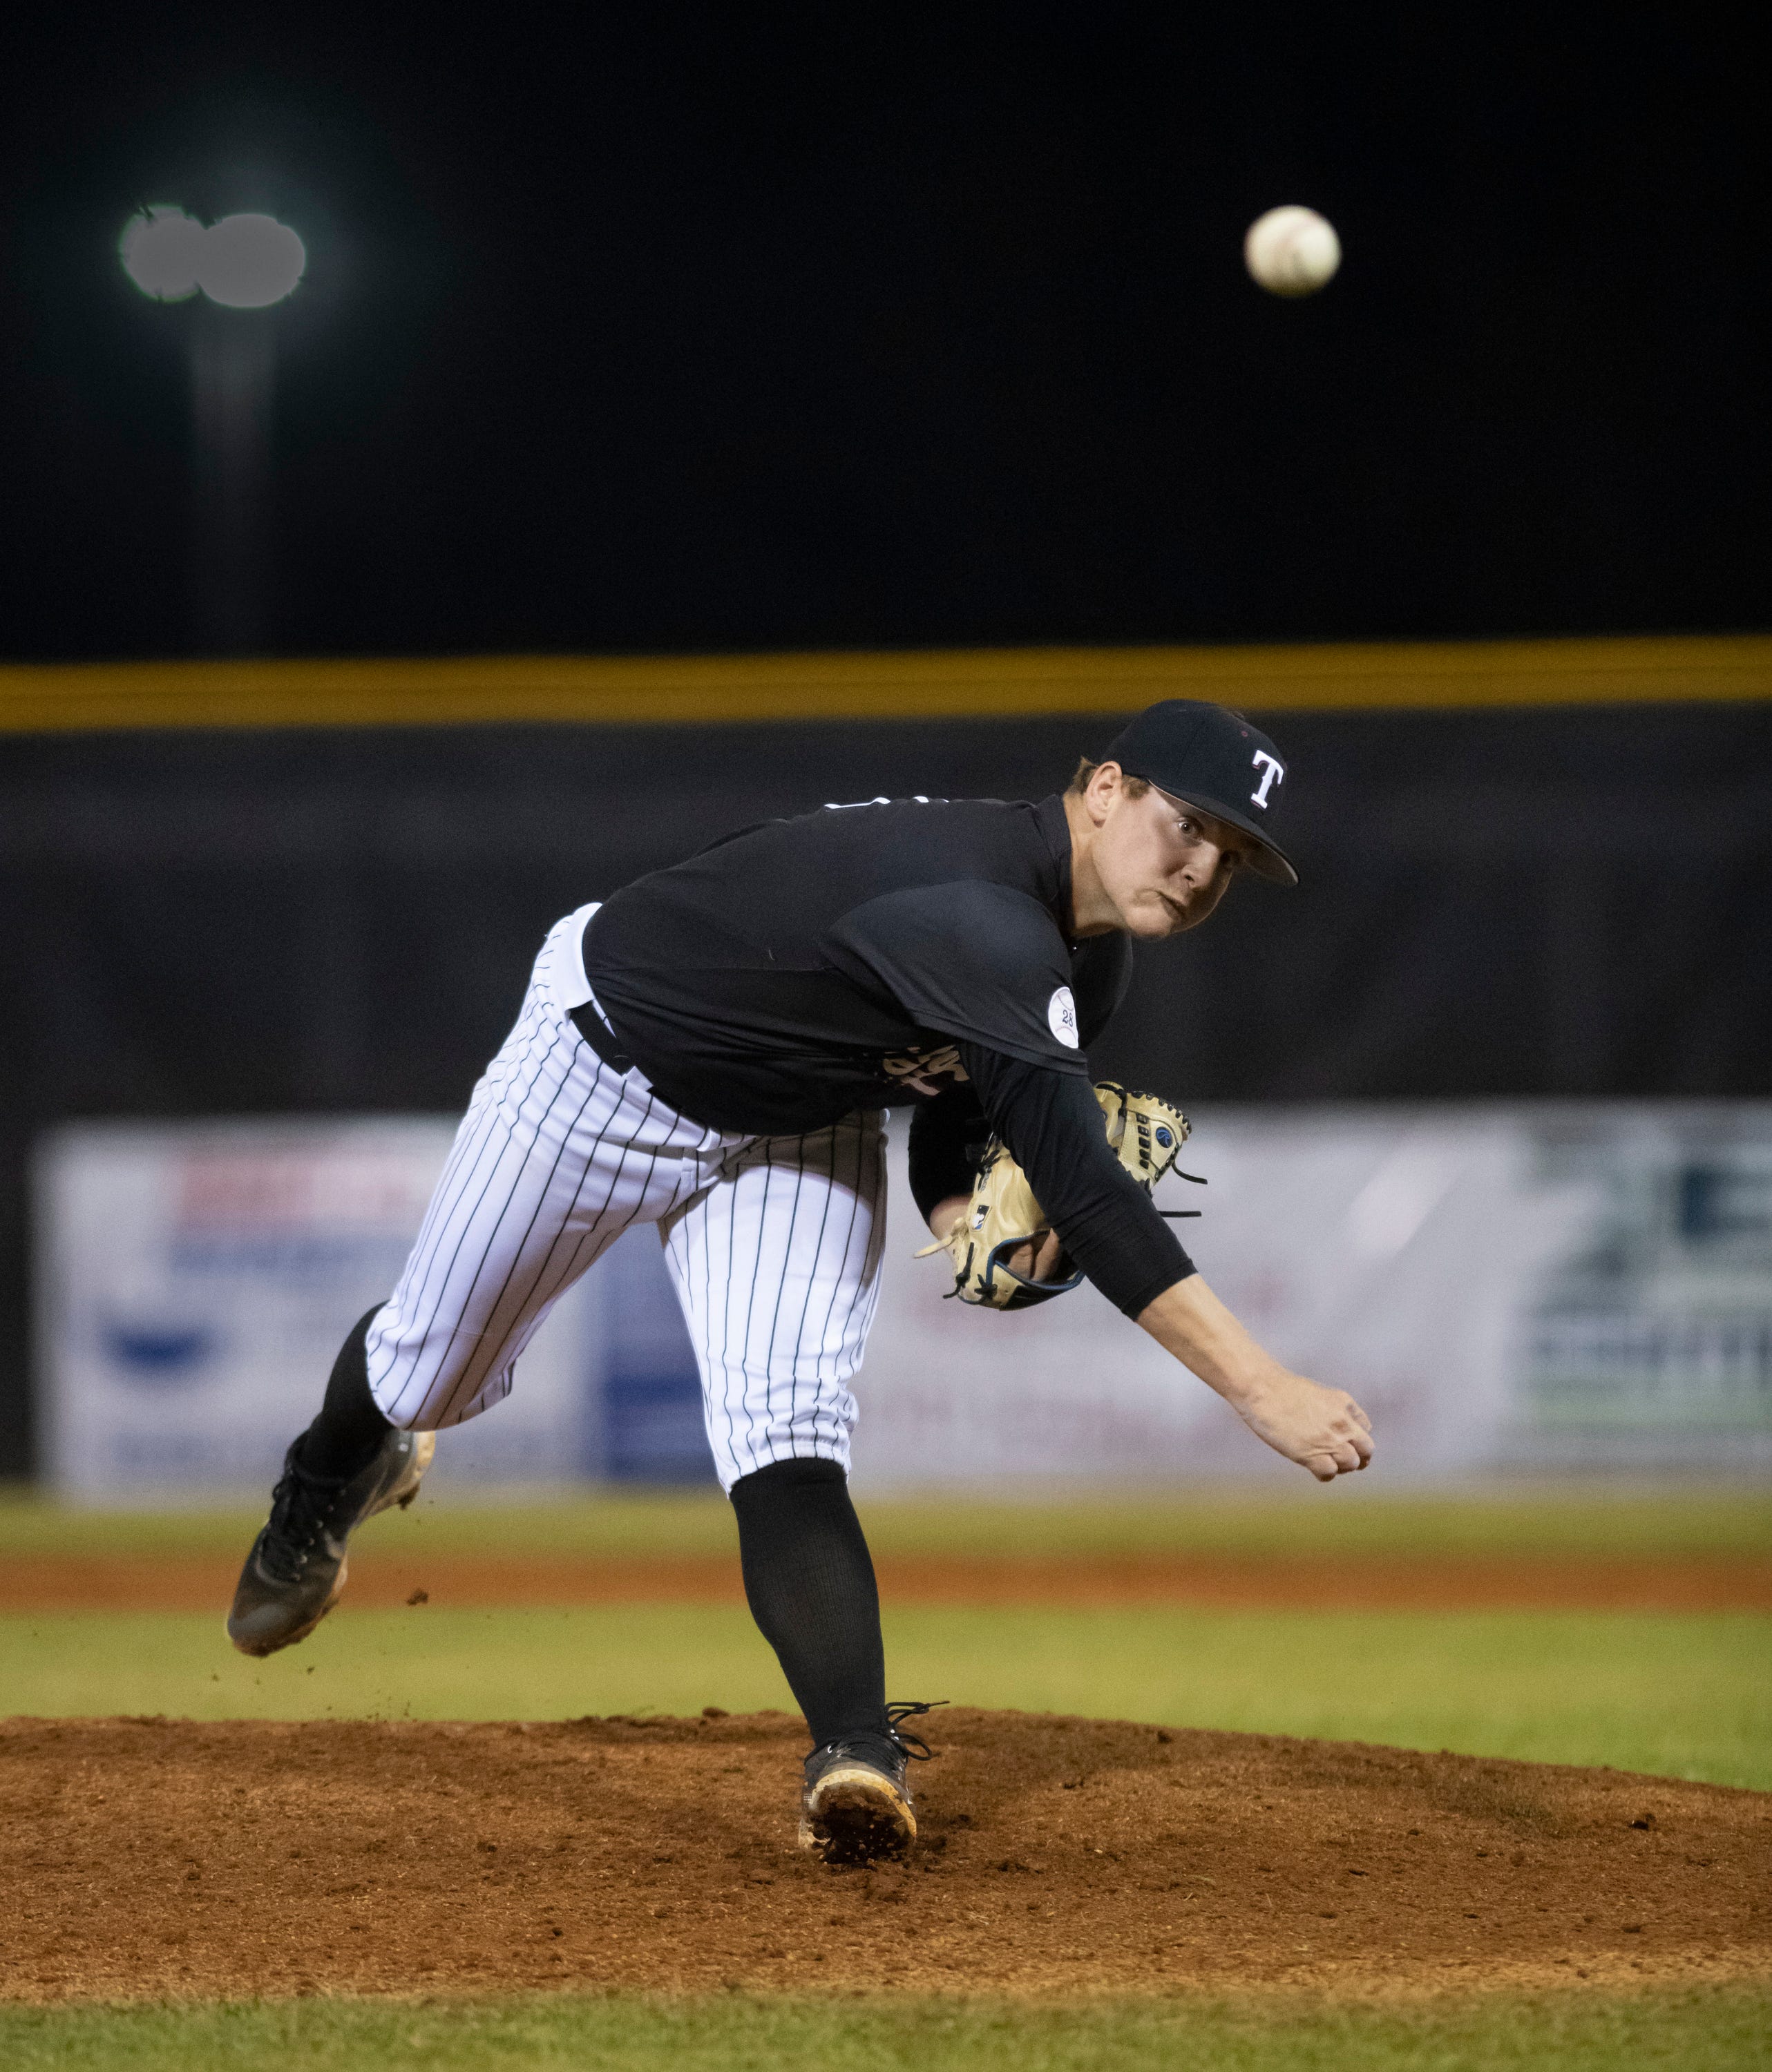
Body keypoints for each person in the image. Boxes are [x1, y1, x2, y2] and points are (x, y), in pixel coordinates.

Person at [227, 698, 1372, 1862]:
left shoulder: (1089, 955)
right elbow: (1088, 1194)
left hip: (797, 1120)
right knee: (427, 1376)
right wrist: (1259, 1388)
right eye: (1189, 824)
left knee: (787, 1420)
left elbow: (951, 1101)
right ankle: (325, 1482)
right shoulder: (980, 913)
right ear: (1107, 790)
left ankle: (856, 1757)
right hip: (604, 1062)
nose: (1200, 868)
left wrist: (958, 1215)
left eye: (1231, 854)